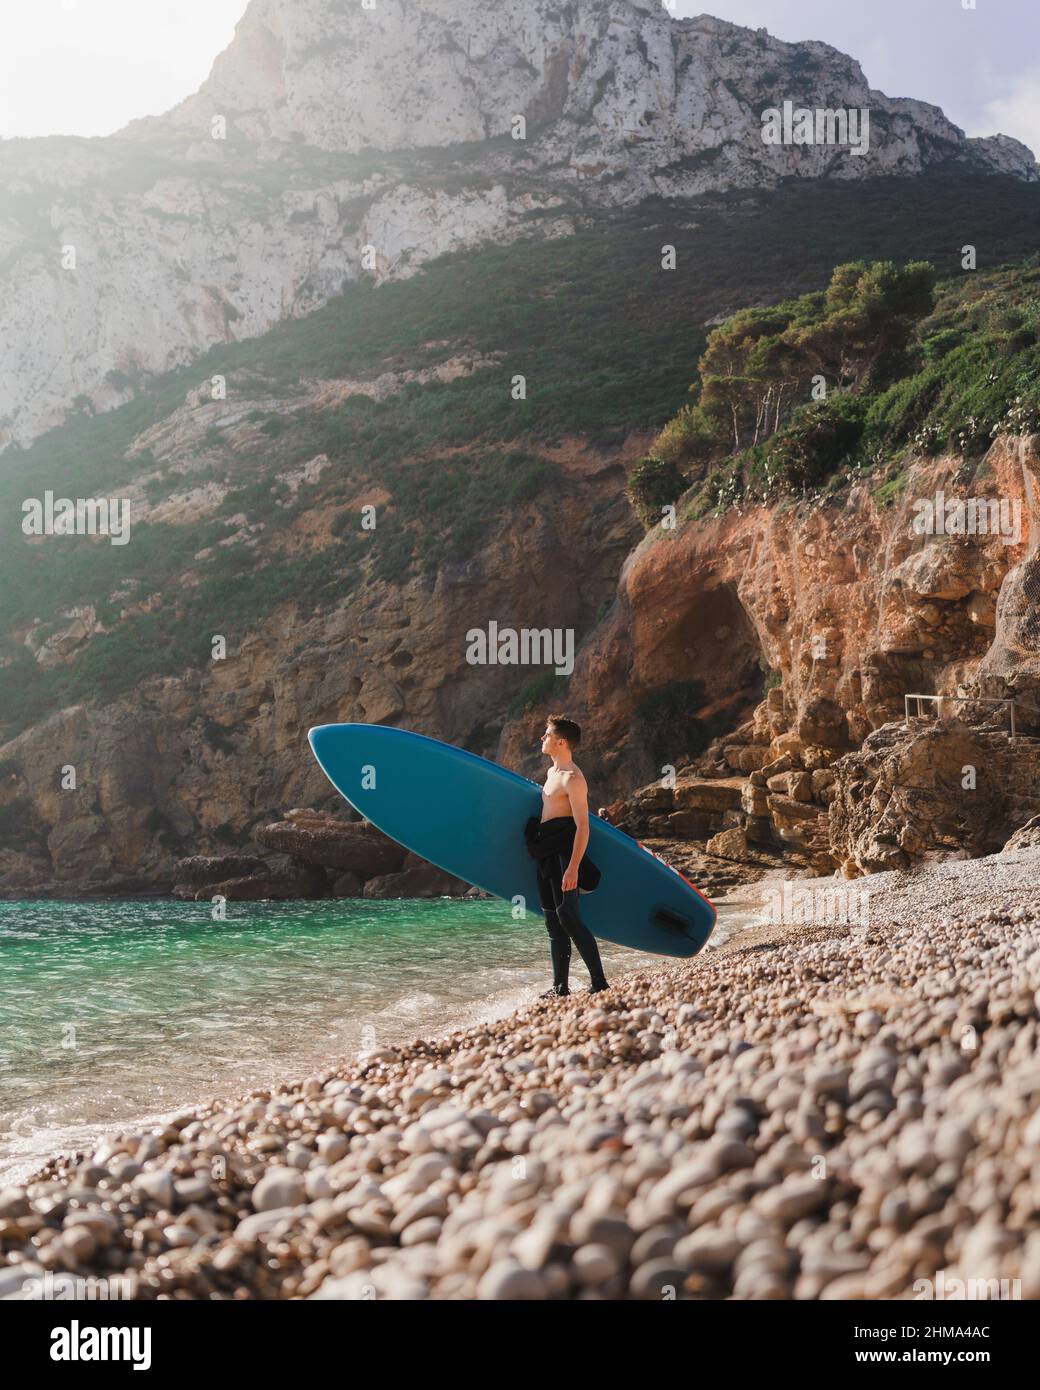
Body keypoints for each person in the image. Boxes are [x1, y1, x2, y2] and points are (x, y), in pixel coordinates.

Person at [524, 714, 608, 998]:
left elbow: (583, 827)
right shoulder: (551, 774)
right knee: (552, 920)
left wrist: (573, 868)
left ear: (561, 742)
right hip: (546, 855)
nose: (542, 738)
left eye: (546, 735)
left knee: (568, 916)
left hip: (562, 855)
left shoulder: (573, 779)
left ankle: (599, 983)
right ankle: (560, 988)